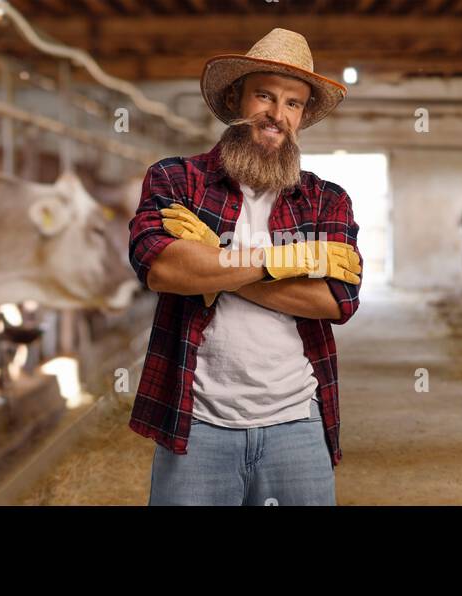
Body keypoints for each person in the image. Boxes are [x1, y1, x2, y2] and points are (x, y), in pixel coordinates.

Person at [127, 28, 363, 506]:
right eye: (265, 96)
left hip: (297, 421)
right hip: (196, 424)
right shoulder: (176, 179)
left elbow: (335, 301)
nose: (278, 115)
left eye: (293, 103)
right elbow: (163, 271)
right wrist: (284, 263)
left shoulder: (325, 199)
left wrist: (216, 261)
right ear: (237, 98)